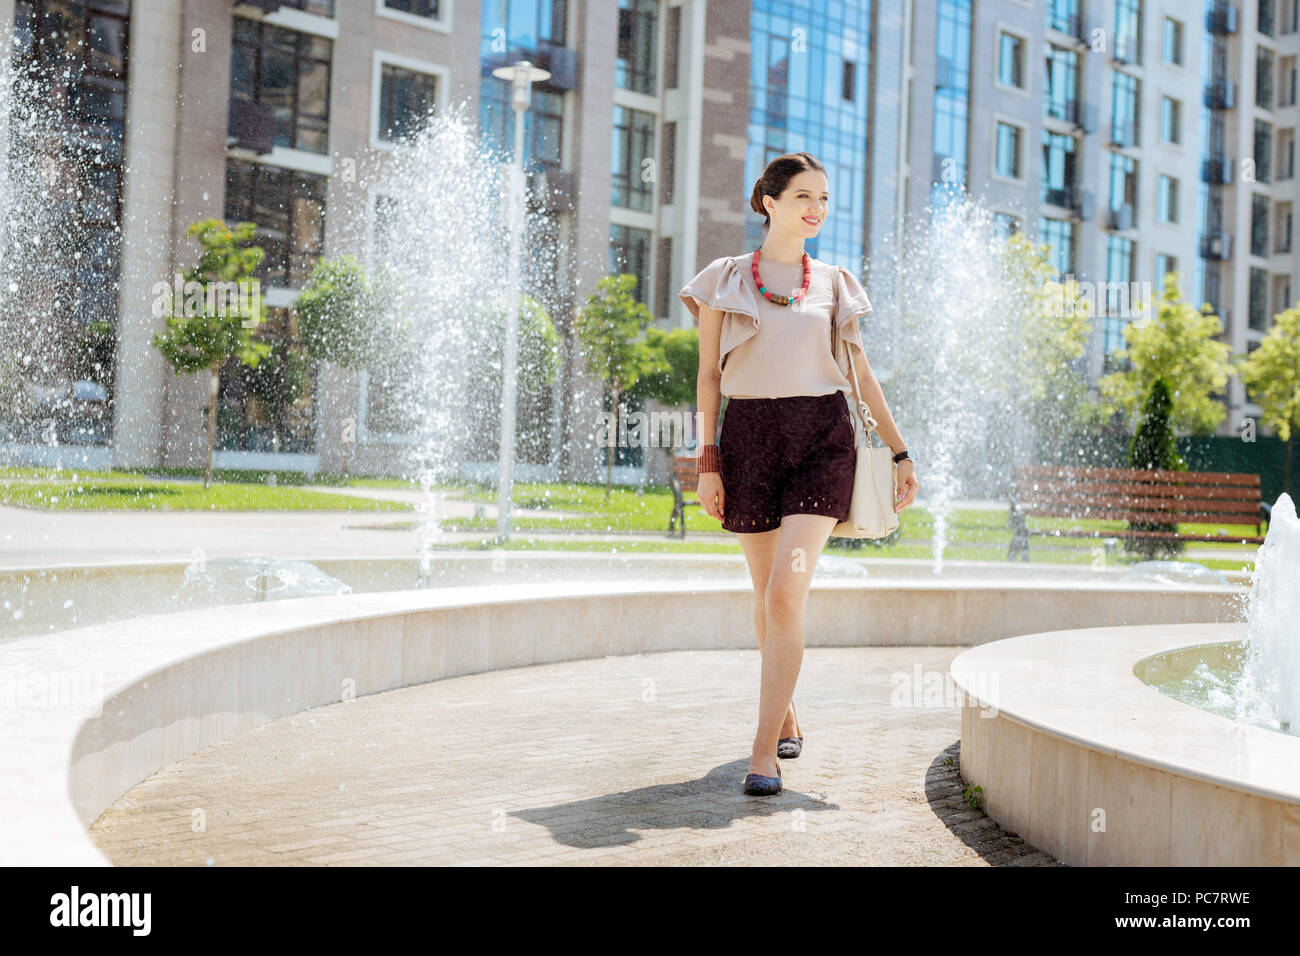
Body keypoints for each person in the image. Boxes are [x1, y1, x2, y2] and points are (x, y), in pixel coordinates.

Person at [678, 151, 919, 796]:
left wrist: (900, 452)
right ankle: (784, 711)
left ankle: (762, 754)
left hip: (823, 437)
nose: (816, 208)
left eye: (824, 198)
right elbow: (706, 380)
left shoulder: (834, 283)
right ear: (769, 202)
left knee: (786, 593)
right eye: (804, 197)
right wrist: (708, 464)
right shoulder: (724, 280)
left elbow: (862, 376)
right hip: (750, 438)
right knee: (764, 597)